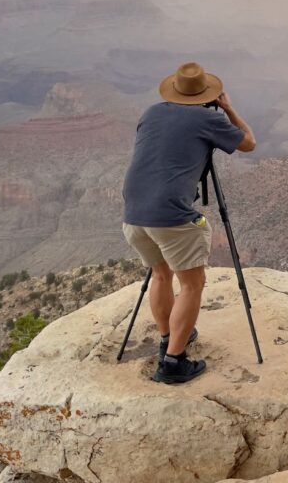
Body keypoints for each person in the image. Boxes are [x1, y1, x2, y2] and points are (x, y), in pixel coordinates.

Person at [122, 62, 256, 384]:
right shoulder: (208, 118)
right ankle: (173, 363)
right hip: (172, 216)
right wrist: (228, 109)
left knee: (160, 274)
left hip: (133, 213)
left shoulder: (150, 112)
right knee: (192, 285)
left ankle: (170, 337)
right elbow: (249, 143)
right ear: (207, 95)